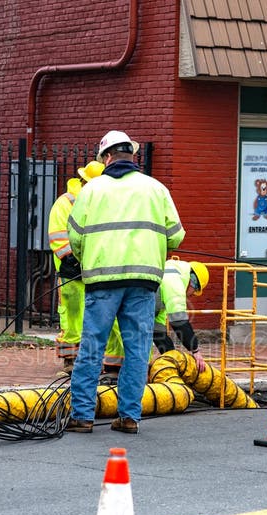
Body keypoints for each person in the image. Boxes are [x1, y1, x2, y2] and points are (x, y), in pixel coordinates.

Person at [65, 130, 186, 434]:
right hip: (143, 281)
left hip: (102, 280)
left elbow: (76, 236)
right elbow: (176, 235)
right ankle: (129, 417)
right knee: (137, 350)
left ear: (106, 158)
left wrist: (86, 258)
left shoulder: (92, 190)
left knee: (92, 346)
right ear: (132, 156)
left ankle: (82, 416)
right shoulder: (156, 189)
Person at [47, 161, 124, 375]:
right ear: (85, 183)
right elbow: (57, 234)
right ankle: (71, 361)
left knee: (108, 316)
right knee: (73, 316)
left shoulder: (105, 202)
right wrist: (71, 259)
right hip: (72, 270)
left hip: (99, 269)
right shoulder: (66, 203)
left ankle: (113, 363)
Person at [153, 258, 209, 373]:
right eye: (195, 291)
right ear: (193, 282)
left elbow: (157, 330)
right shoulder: (176, 282)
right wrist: (195, 350)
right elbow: (179, 322)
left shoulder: (168, 277)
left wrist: (172, 357)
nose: (192, 295)